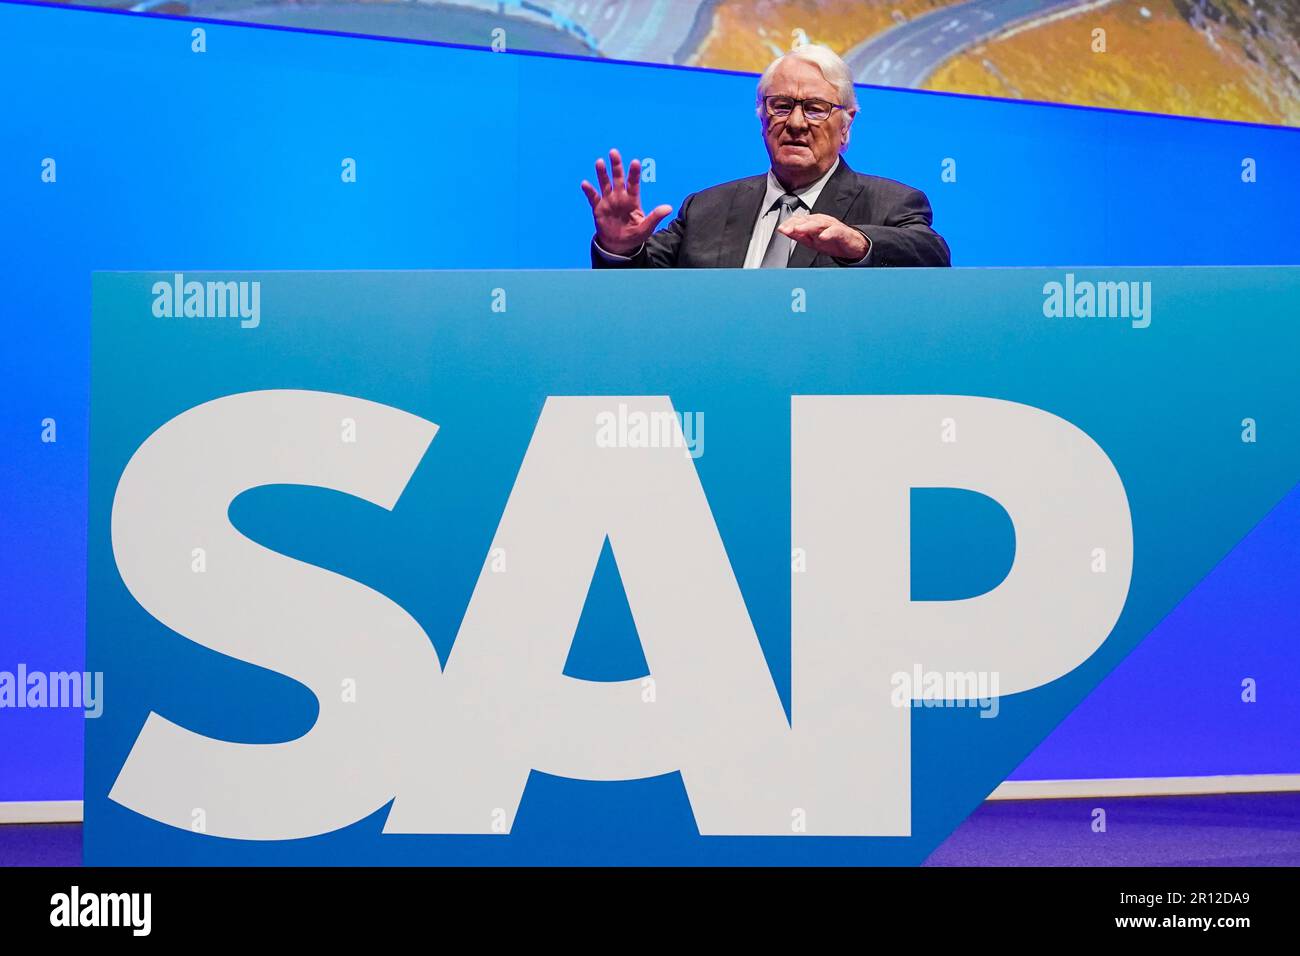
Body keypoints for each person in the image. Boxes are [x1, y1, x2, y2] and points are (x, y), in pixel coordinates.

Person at [581, 44, 951, 269]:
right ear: (762, 116)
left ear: (846, 125)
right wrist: (620, 247)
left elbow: (933, 255)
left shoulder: (889, 203)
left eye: (816, 108)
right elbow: (641, 287)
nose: (795, 123)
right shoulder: (706, 208)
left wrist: (856, 243)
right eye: (781, 105)